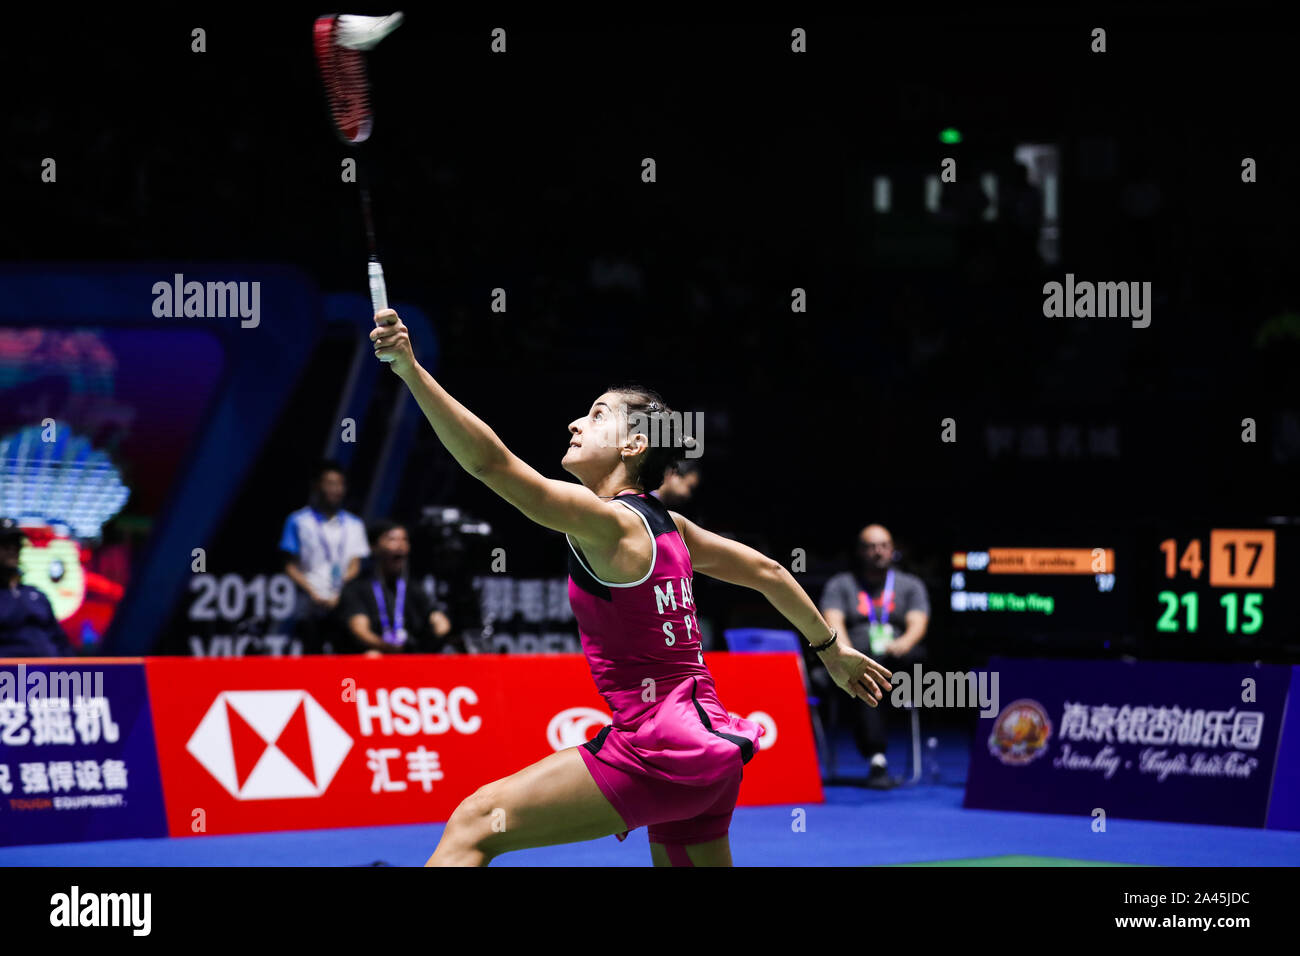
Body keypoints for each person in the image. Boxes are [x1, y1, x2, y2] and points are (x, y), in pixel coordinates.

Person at [368, 308, 892, 867]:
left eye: (597, 416)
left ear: (634, 445)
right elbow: (769, 572)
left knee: (476, 822)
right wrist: (830, 650)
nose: (575, 423)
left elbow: (491, 465)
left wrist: (410, 369)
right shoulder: (672, 528)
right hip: (707, 747)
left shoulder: (609, 522)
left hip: (658, 749)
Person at [819, 524, 931, 789]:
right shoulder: (840, 584)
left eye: (883, 546)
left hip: (898, 662)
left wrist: (903, 643)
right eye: (871, 547)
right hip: (856, 658)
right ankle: (877, 756)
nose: (878, 552)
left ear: (892, 550)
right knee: (860, 672)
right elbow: (832, 622)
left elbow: (918, 622)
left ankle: (876, 756)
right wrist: (849, 655)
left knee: (875, 671)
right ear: (860, 551)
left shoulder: (910, 585)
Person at [279, 460, 371, 653]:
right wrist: (313, 592)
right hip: (309, 603)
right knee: (310, 655)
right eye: (330, 483)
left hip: (342, 601)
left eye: (339, 484)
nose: (335, 489)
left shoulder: (355, 524)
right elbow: (289, 565)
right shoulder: (298, 520)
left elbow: (355, 565)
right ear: (316, 486)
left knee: (344, 656)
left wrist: (339, 592)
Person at [337, 519, 452, 654]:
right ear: (374, 547)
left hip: (411, 655)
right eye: (392, 539)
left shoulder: (413, 586)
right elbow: (359, 630)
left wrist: (437, 631)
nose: (400, 545)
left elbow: (439, 621)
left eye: (404, 540)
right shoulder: (357, 587)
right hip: (375, 653)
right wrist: (389, 649)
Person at [0, 518, 75, 658]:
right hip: (12, 670)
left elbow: (61, 642)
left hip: (50, 669)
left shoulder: (36, 595)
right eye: (5, 544)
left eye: (16, 544)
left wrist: (74, 668)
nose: (12, 550)